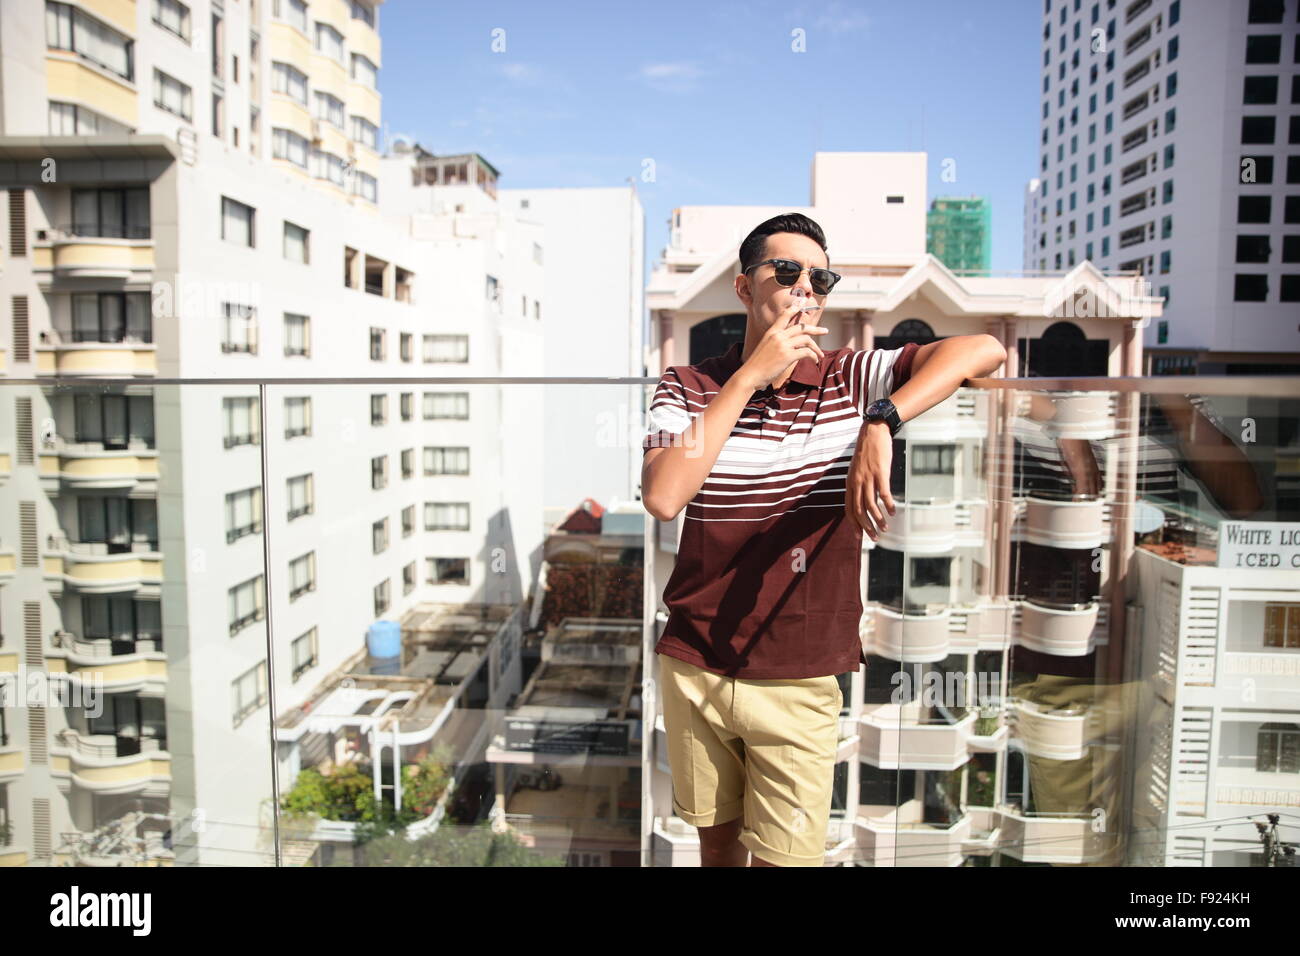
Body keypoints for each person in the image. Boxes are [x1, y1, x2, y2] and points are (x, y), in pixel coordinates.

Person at [641, 212, 1007, 866]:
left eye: (821, 278)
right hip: (694, 660)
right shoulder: (689, 385)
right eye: (787, 272)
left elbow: (983, 349)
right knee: (716, 853)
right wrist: (750, 377)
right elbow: (665, 496)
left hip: (799, 672)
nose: (806, 287)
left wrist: (882, 420)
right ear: (744, 289)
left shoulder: (847, 378)